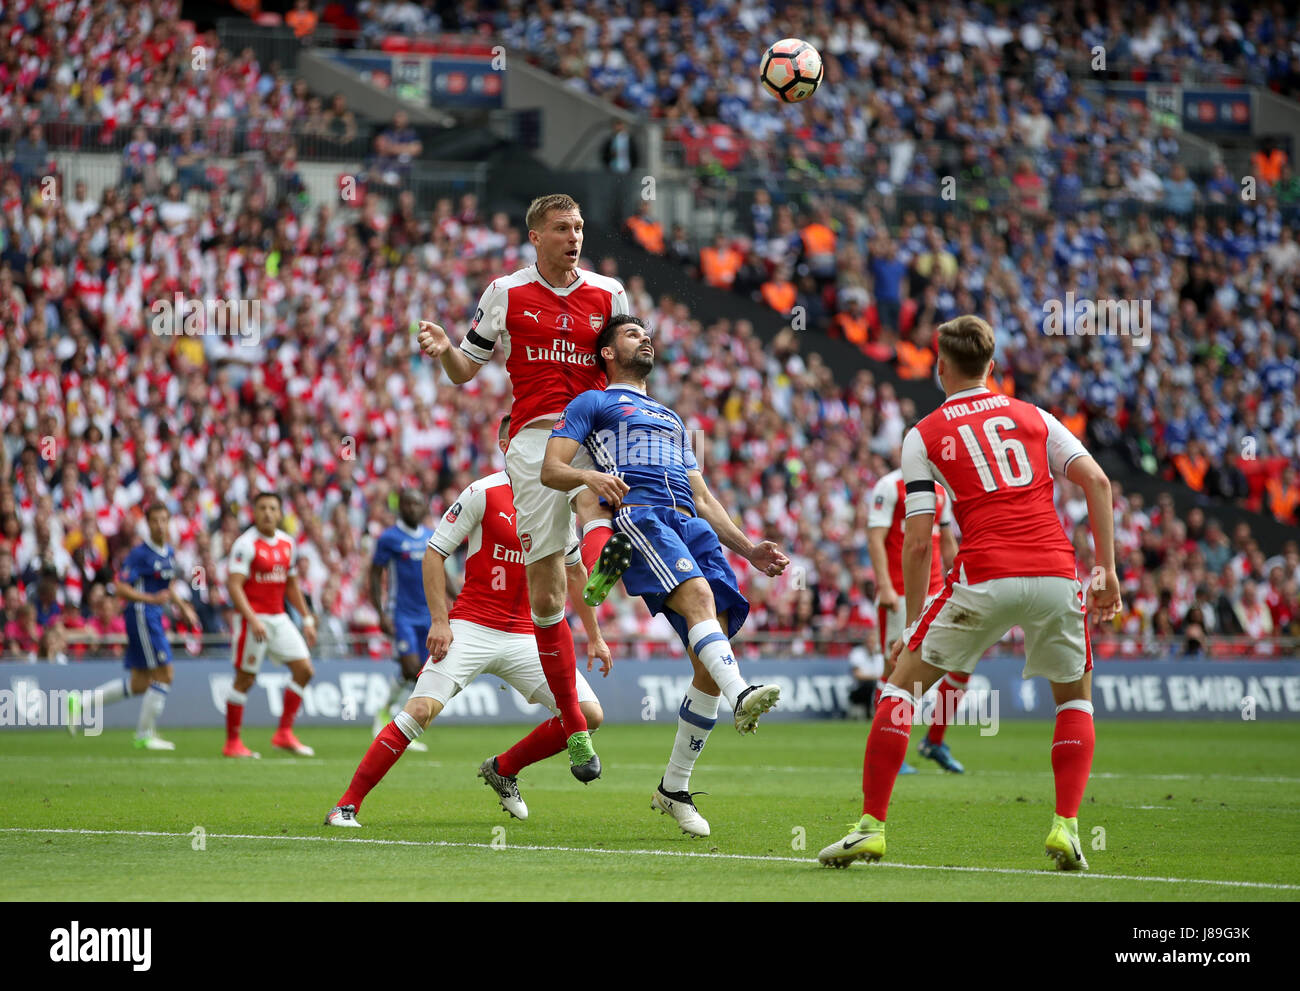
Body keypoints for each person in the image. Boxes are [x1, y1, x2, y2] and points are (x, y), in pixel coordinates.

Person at [818, 315, 1121, 870]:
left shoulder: (924, 434)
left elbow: (917, 541)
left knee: (900, 690)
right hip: (1056, 574)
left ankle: (871, 828)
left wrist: (912, 627)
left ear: (939, 367)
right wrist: (1106, 572)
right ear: (993, 365)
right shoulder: (1036, 416)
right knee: (1075, 700)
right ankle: (1066, 828)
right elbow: (1098, 482)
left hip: (984, 573)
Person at [541, 315, 790, 837]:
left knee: (709, 653)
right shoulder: (594, 404)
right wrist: (589, 476)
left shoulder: (673, 419)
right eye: (631, 334)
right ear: (606, 353)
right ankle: (743, 692)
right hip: (643, 513)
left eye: (646, 334)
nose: (645, 338)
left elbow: (703, 496)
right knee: (699, 600)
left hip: (690, 521)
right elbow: (551, 469)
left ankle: (674, 787)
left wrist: (748, 548)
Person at [416, 193, 628, 781]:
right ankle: (575, 726)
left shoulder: (609, 295)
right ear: (536, 236)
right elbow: (466, 369)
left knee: (594, 492)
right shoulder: (505, 293)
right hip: (532, 438)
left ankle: (604, 552)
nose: (574, 236)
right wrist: (442, 353)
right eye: (562, 228)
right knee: (547, 600)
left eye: (580, 227)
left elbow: (627, 364)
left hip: (595, 425)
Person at [326, 416, 611, 827]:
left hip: (528, 635)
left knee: (589, 716)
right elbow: (434, 553)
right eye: (522, 437)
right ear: (504, 442)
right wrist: (440, 621)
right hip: (472, 627)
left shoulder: (557, 502)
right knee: (419, 710)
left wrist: (596, 636)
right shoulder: (483, 492)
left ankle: (504, 768)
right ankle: (346, 804)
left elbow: (574, 572)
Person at [67, 503, 198, 749]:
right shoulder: (140, 553)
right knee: (165, 674)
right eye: (155, 521)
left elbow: (166, 586)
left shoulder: (168, 551)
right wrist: (151, 599)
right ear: (147, 524)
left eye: (164, 520)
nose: (160, 525)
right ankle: (144, 734)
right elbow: (119, 587)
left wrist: (184, 607)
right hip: (141, 615)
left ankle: (82, 703)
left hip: (152, 615)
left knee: (140, 683)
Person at [867, 464, 963, 773]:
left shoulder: (940, 491)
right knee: (894, 668)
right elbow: (876, 538)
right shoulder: (889, 485)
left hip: (938, 594)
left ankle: (935, 739)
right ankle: (889, 753)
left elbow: (946, 542)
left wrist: (965, 580)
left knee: (961, 662)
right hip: (899, 592)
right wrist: (883, 586)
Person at [224, 492, 318, 759]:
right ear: (254, 512)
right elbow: (234, 586)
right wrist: (252, 619)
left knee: (304, 670)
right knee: (245, 679)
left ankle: (284, 733)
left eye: (272, 508)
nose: (267, 512)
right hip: (253, 620)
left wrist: (307, 619)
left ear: (280, 514)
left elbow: (291, 585)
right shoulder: (245, 544)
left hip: (279, 618)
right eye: (262, 508)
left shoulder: (288, 543)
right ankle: (232, 742)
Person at [367, 488, 435, 751]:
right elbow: (374, 575)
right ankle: (385, 713)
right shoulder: (389, 538)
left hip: (427, 614)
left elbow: (439, 572)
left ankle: (400, 725)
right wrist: (381, 612)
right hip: (402, 613)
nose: (413, 509)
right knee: (409, 668)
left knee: (420, 673)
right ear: (401, 507)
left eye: (418, 504)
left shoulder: (431, 536)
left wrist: (458, 596)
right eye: (408, 504)